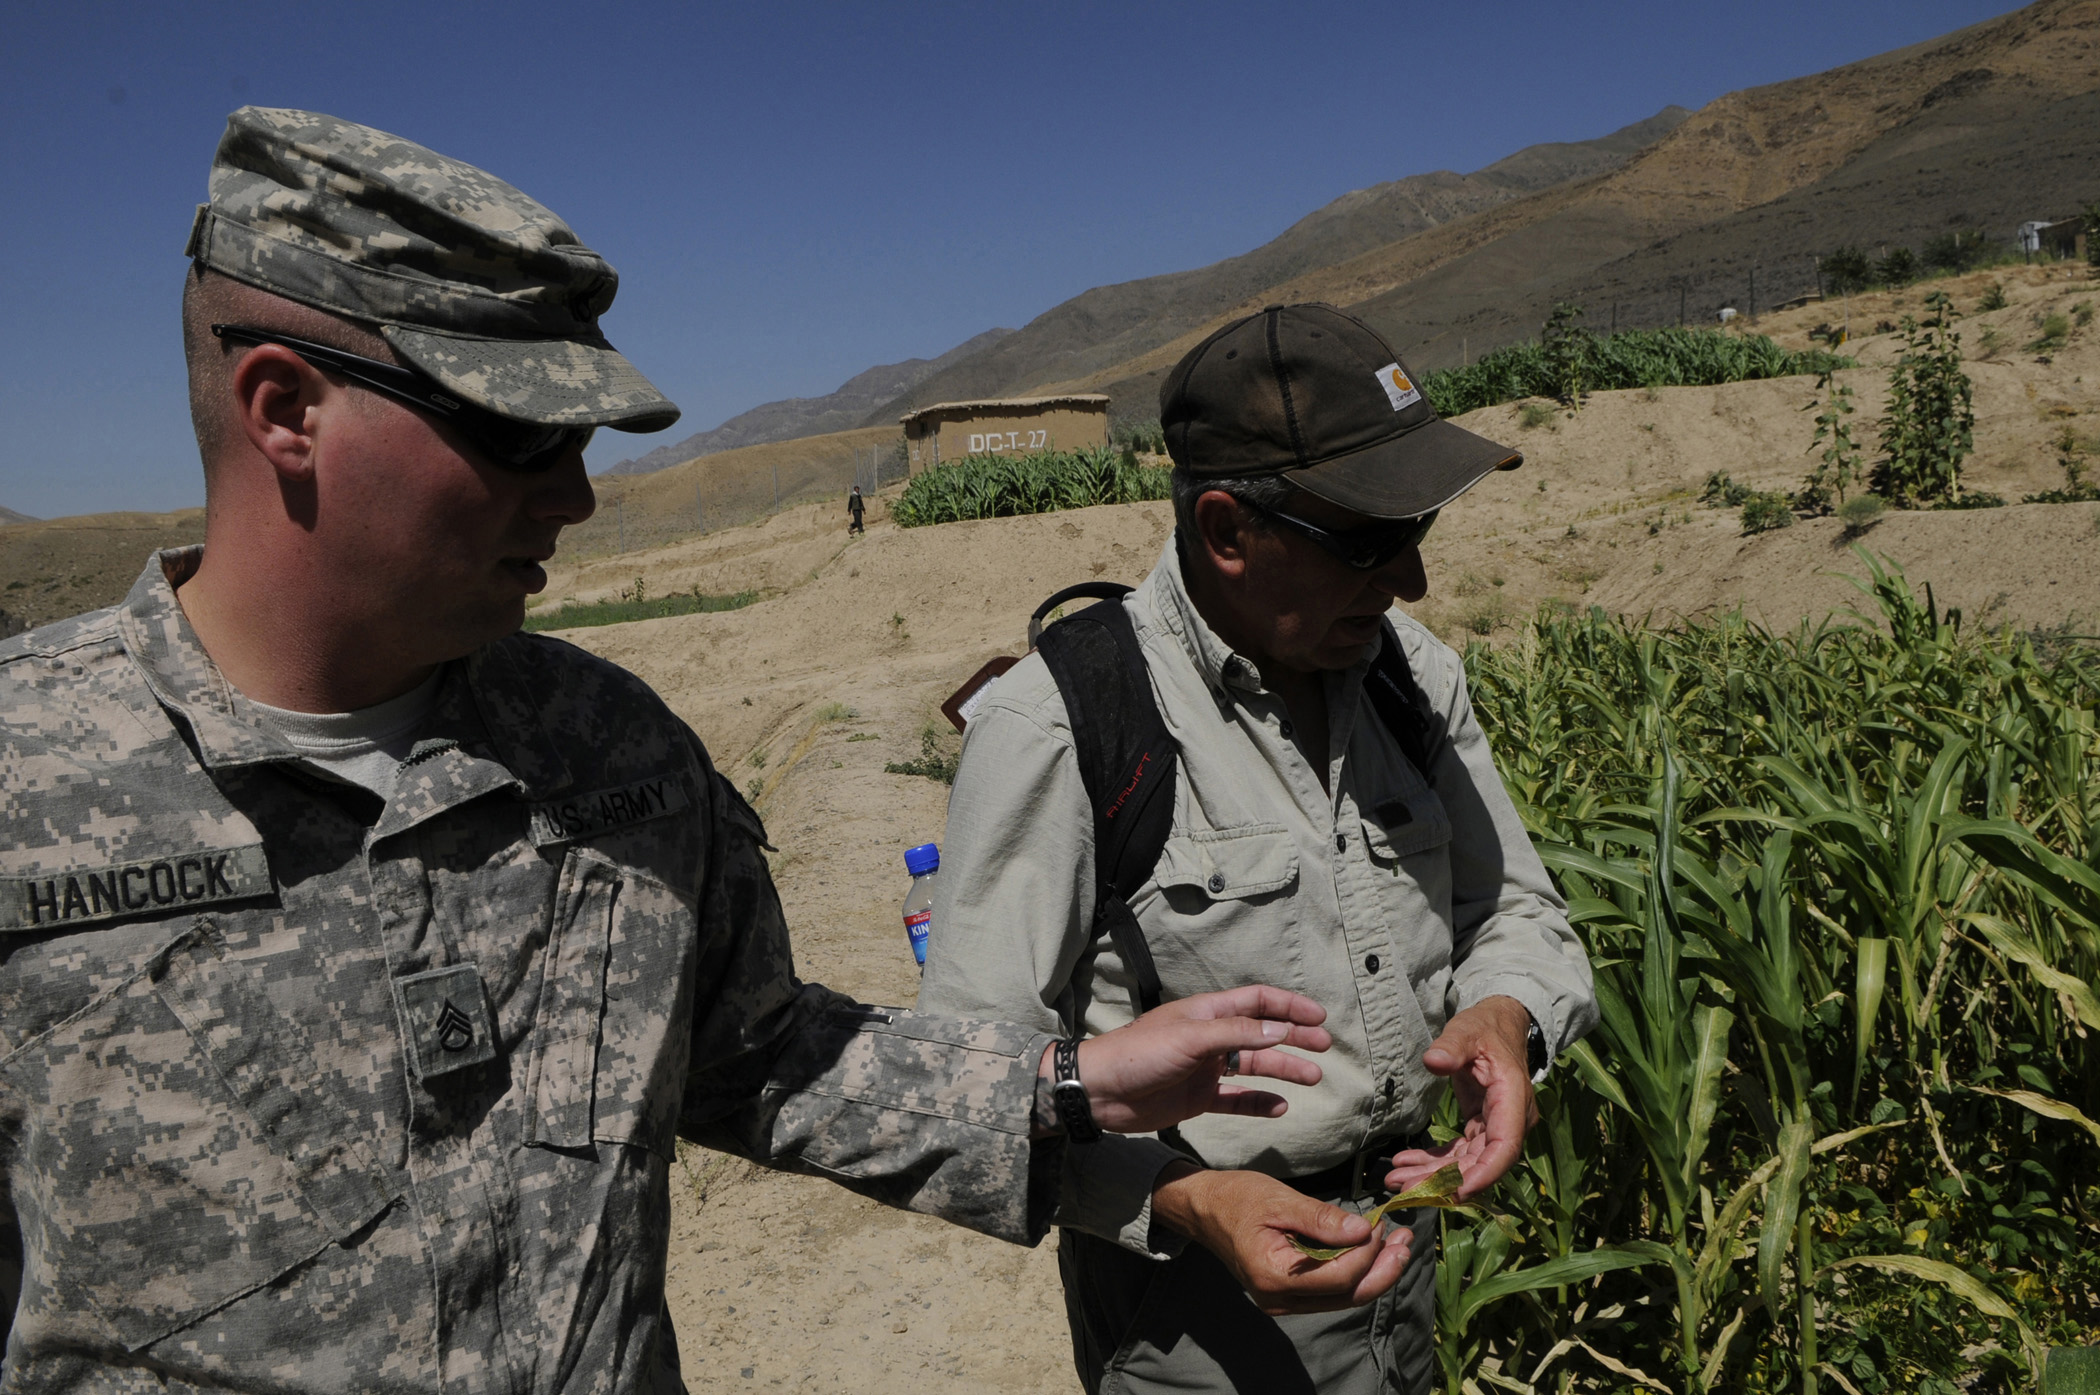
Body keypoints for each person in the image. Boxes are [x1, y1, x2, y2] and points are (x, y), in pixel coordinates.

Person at [0, 110, 1358, 1393]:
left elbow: (758, 1053)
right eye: (520, 433)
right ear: (285, 405)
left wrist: (1072, 1081)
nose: (577, 494)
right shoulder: (27, 781)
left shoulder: (608, 749)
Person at [919, 303, 1600, 1395]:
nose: (1412, 582)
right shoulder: (1066, 722)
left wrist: (1506, 1016)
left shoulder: (1408, 671)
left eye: (1421, 533)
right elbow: (965, 1090)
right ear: (1229, 532)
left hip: (1405, 1256)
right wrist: (1189, 1199)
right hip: (1190, 1302)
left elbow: (1515, 907)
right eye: (1373, 542)